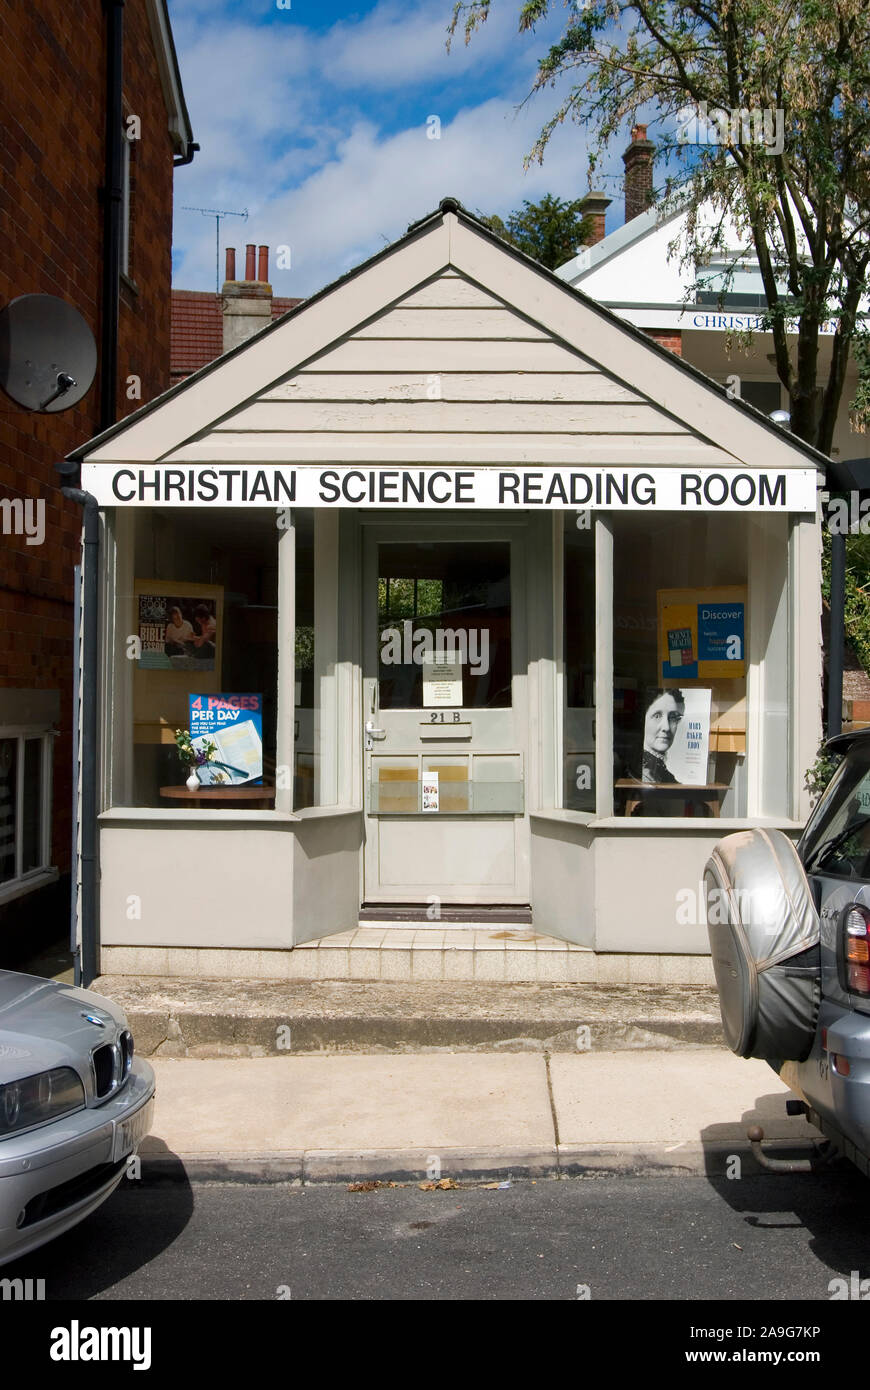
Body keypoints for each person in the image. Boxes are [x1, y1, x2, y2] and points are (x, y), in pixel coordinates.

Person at [641, 688, 685, 783]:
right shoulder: (643, 773)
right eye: (657, 716)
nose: (666, 727)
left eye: (673, 717)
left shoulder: (662, 773)